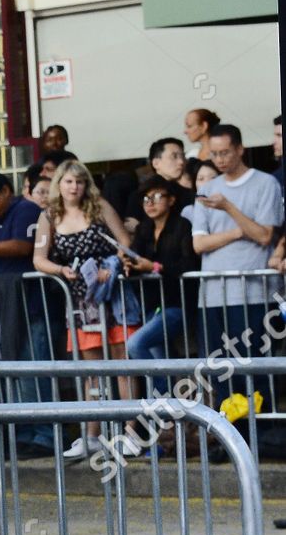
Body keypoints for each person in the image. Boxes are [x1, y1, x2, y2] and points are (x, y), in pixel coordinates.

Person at [33, 160, 139, 458]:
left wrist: (111, 265)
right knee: (90, 371)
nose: (74, 187)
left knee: (124, 364)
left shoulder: (100, 206)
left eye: (79, 181)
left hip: (113, 295)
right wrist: (61, 270)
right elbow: (38, 259)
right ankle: (91, 434)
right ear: (59, 185)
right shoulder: (49, 216)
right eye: (68, 181)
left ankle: (130, 431)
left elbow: (126, 241)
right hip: (80, 300)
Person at [188, 122, 285, 389]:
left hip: (254, 293)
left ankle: (261, 428)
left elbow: (264, 235)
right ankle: (225, 428)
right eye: (214, 154)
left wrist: (228, 207)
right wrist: (238, 232)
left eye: (225, 152)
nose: (219, 159)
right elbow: (199, 244)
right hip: (213, 294)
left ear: (240, 150)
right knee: (219, 373)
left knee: (255, 370)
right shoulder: (206, 189)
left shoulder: (265, 183)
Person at [125, 177, 200, 380]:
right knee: (162, 361)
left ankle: (162, 398)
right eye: (146, 198)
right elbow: (136, 258)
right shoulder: (144, 229)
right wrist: (128, 265)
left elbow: (189, 264)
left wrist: (156, 267)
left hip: (178, 303)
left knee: (135, 344)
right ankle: (168, 403)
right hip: (151, 304)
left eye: (157, 197)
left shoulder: (182, 226)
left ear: (172, 200)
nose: (150, 202)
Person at [126, 138, 195, 221]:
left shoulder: (189, 193)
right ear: (156, 163)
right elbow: (132, 225)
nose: (181, 161)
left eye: (183, 156)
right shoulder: (140, 194)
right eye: (174, 156)